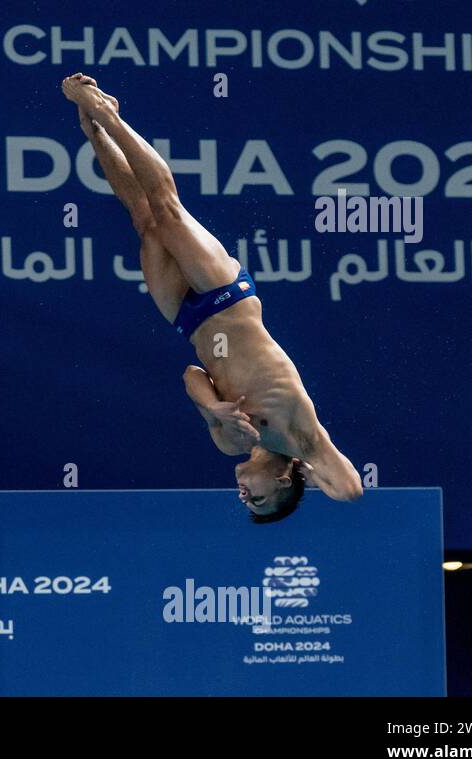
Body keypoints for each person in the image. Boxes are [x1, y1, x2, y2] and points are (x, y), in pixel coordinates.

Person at [61, 74, 361, 521]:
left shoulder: (228, 442)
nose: (245, 495)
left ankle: (94, 130)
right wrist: (310, 471)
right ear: (283, 482)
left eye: (247, 502)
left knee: (144, 220)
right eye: (258, 499)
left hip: (187, 317)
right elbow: (351, 491)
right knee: (167, 209)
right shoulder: (300, 439)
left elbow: (191, 373)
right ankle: (110, 114)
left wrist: (213, 407)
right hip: (229, 298)